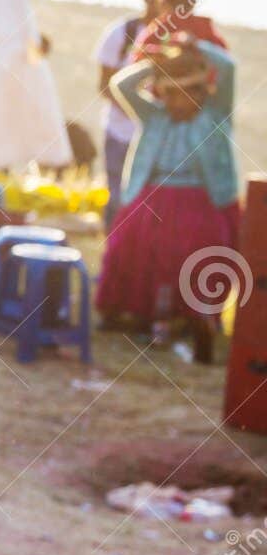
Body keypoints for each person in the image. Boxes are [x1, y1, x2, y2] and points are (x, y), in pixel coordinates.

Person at [95, 37, 239, 364]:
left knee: (194, 252)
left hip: (201, 200)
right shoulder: (154, 116)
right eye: (169, 93)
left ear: (201, 93)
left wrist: (196, 48)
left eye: (183, 94)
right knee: (130, 246)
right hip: (152, 196)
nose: (175, 102)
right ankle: (132, 312)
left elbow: (228, 68)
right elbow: (122, 85)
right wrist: (154, 63)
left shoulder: (216, 114)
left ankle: (194, 319)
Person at [95, 0, 167, 230]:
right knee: (117, 197)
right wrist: (137, 109)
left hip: (155, 139)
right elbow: (104, 85)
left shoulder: (172, 41)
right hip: (118, 133)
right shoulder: (121, 33)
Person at [133, 0, 227, 54]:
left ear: (164, 2)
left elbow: (138, 53)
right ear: (193, 3)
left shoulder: (161, 26)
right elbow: (224, 52)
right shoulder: (205, 26)